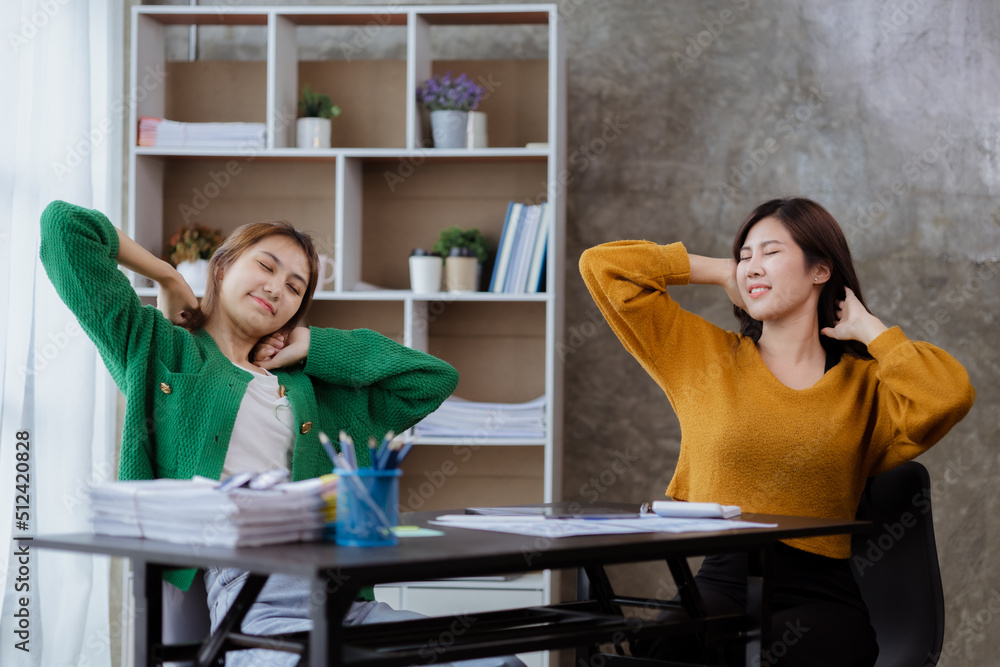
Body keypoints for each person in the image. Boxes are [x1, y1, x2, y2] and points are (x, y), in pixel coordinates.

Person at [39, 200, 525, 667]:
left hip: (342, 598)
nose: (276, 289)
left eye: (295, 287)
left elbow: (431, 379)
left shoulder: (315, 389)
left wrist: (313, 345)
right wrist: (168, 274)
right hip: (253, 601)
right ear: (223, 266)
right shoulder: (161, 348)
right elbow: (65, 227)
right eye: (266, 267)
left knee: (498, 658)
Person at [578, 197, 975, 666]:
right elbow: (603, 265)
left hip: (822, 597)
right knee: (663, 648)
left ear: (820, 271)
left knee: (782, 654)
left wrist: (872, 330)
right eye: (745, 254)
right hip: (722, 583)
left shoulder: (866, 386)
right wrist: (721, 270)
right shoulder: (703, 358)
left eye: (770, 252)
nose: (752, 266)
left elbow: (948, 394)